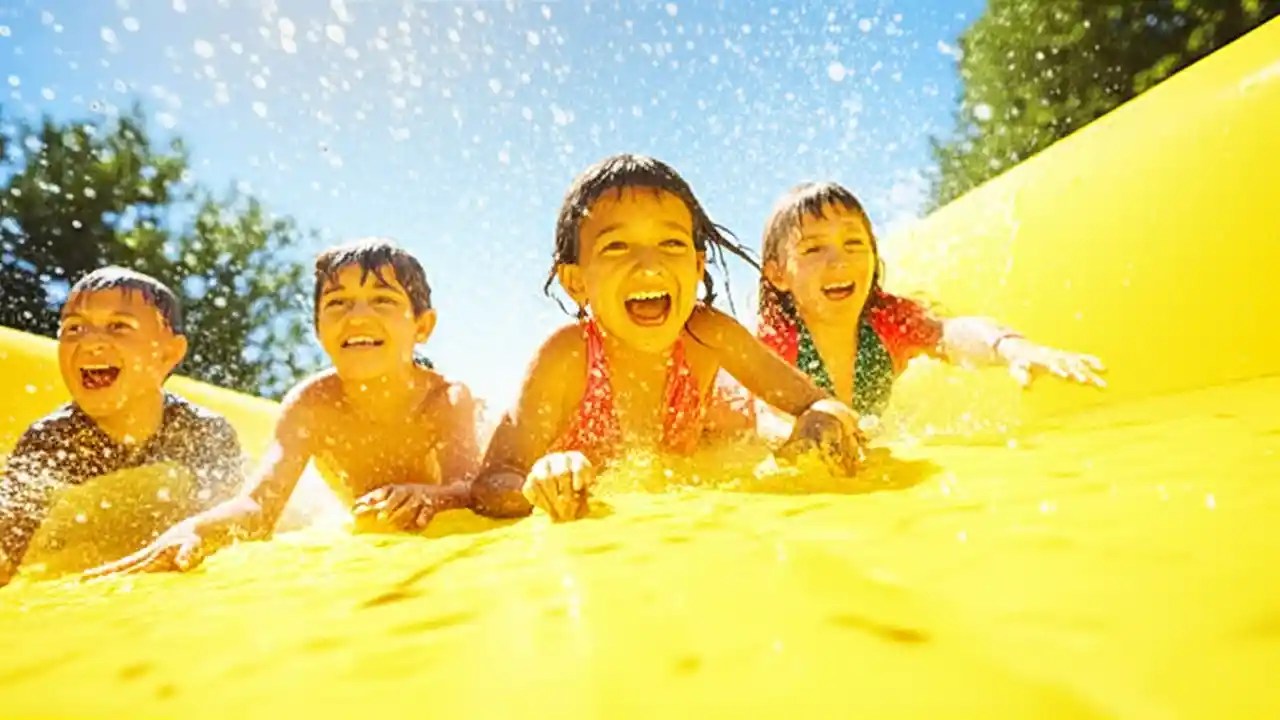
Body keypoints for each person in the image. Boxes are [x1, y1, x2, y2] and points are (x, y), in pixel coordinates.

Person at [472, 154, 865, 524]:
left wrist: (822, 422)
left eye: (671, 243)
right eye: (617, 246)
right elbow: (493, 480)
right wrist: (540, 480)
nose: (649, 265)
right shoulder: (566, 358)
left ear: (697, 266)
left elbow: (816, 401)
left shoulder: (707, 334)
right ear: (576, 281)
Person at [84, 239, 482, 577]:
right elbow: (258, 506)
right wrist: (196, 529)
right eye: (338, 303)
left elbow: (468, 486)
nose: (358, 316)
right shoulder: (312, 404)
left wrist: (433, 496)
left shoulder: (445, 401)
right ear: (318, 328)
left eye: (382, 300)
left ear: (422, 327)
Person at [756, 181, 1105, 422]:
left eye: (854, 244)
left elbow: (950, 333)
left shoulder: (886, 321)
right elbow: (761, 417)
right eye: (814, 248)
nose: (840, 261)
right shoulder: (776, 342)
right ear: (778, 275)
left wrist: (1011, 347)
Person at [0, 268, 244, 586]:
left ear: (169, 353)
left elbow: (238, 529)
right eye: (74, 328)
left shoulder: (200, 432)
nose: (90, 343)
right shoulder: (52, 442)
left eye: (118, 326)